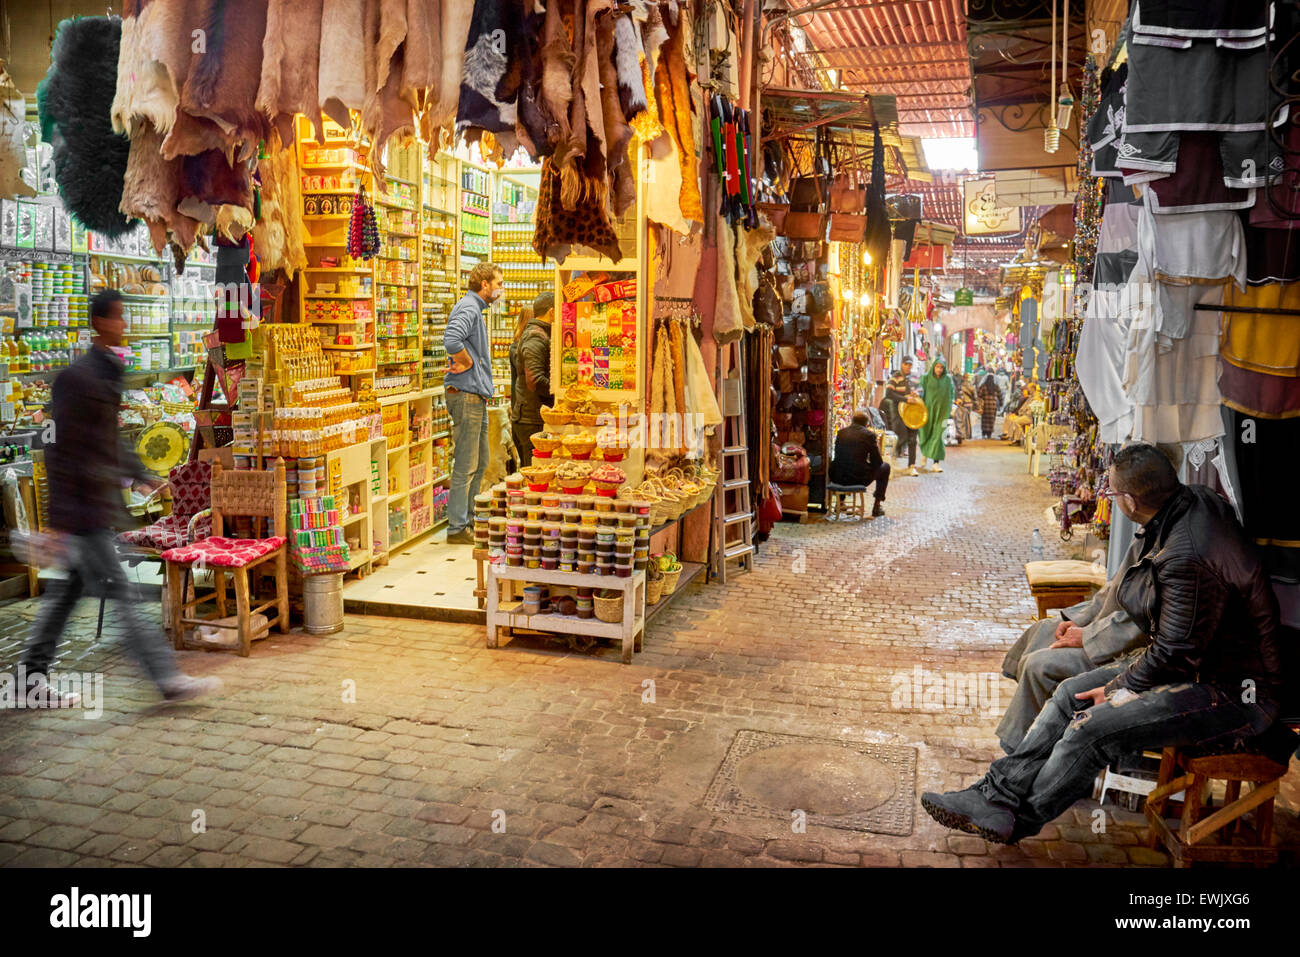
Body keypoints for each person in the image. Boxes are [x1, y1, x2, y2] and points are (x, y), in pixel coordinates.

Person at [921, 444, 1285, 844]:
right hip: (1197, 668)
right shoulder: (1190, 504)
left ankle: (1018, 819)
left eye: (1111, 494)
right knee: (1066, 695)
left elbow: (1176, 654)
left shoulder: (1185, 554)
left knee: (1090, 729)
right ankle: (994, 795)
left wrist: (1117, 688)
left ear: (1129, 502)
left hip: (1231, 692)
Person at [19, 290, 221, 706]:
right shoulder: (79, 379)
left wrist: (140, 474)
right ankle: (166, 678)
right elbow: (61, 450)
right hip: (83, 511)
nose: (124, 324)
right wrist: (60, 521)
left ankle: (29, 679)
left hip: (93, 506)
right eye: (118, 318)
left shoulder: (102, 374)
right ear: (100, 322)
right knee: (124, 597)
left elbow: (107, 437)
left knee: (69, 597)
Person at [995, 540, 1150, 753]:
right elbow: (1111, 592)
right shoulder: (1149, 533)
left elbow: (1140, 624)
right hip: (1112, 626)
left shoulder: (1176, 549)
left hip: (1132, 648)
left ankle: (1019, 753)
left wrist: (1087, 635)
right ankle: (1032, 734)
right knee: (1042, 630)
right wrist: (1080, 621)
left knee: (1039, 665)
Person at [444, 262, 503, 545]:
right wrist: (466, 361)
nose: (500, 290)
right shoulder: (469, 307)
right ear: (485, 285)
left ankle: (467, 519)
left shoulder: (475, 308)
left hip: (474, 394)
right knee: (466, 463)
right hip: (465, 394)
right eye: (498, 284)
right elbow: (451, 339)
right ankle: (456, 526)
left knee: (480, 462)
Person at [508, 292, 554, 469]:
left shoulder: (541, 334)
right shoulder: (536, 336)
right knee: (535, 474)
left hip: (533, 416)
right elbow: (534, 380)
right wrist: (557, 390)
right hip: (531, 419)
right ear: (551, 312)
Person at [828, 411, 891, 518]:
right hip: (858, 478)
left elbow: (840, 455)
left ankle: (841, 502)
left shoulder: (842, 432)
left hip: (837, 476)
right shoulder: (869, 435)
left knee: (845, 464)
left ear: (852, 421)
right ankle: (877, 506)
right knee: (885, 467)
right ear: (866, 424)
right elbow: (877, 462)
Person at [884, 356, 921, 476]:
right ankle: (891, 459)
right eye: (906, 364)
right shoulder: (895, 377)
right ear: (901, 364)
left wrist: (917, 393)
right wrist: (905, 399)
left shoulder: (914, 378)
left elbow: (921, 391)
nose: (908, 367)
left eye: (910, 365)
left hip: (912, 413)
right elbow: (889, 394)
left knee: (913, 440)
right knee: (902, 437)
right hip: (898, 413)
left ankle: (911, 466)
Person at [918, 358, 954, 473]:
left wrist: (949, 409)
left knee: (939, 436)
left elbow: (951, 394)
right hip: (927, 411)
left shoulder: (948, 380)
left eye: (941, 367)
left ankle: (936, 463)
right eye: (937, 367)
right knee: (925, 433)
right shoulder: (925, 378)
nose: (939, 369)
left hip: (942, 412)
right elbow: (920, 392)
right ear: (933, 367)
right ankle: (924, 453)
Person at [952, 373, 977, 444]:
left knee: (961, 419)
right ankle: (967, 434)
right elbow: (974, 395)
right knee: (967, 419)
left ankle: (962, 433)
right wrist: (975, 404)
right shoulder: (970, 385)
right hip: (969, 404)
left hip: (962, 404)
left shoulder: (960, 385)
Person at [976, 372, 1002, 439]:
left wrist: (982, 398)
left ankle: (984, 432)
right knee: (991, 419)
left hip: (985, 405)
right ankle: (989, 433)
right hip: (993, 405)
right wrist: (1001, 403)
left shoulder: (983, 386)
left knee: (984, 419)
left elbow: (979, 394)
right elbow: (1000, 396)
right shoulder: (996, 387)